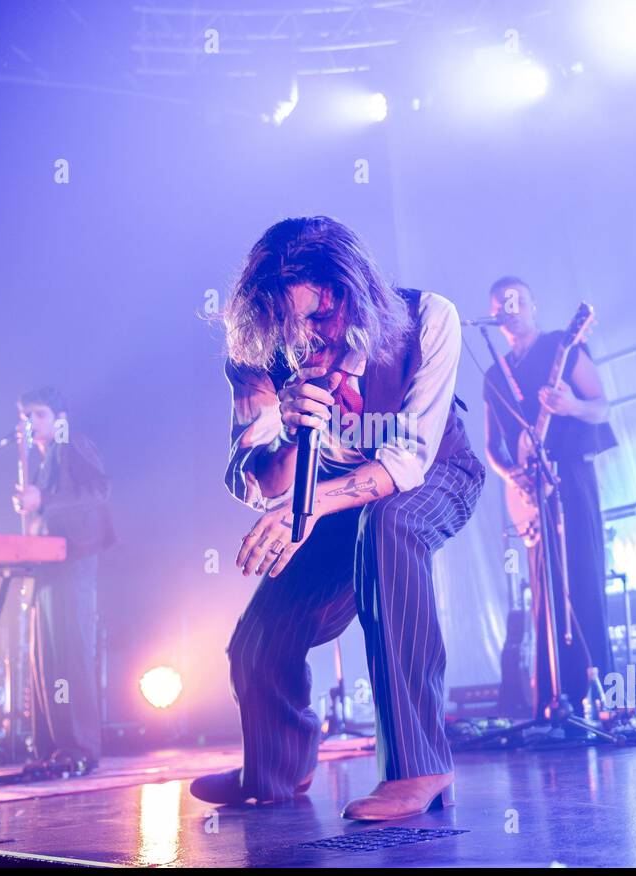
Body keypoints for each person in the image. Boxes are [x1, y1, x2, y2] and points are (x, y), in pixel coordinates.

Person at [190, 216, 485, 820]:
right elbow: (256, 479)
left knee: (390, 527)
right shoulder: (258, 353)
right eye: (288, 322)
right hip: (325, 491)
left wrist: (307, 509)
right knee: (259, 640)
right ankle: (272, 770)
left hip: (433, 476)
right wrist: (295, 436)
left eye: (319, 317)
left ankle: (420, 767)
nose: (305, 338)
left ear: (353, 294)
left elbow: (407, 462)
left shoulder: (429, 319)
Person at [481, 276, 616, 718]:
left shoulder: (563, 345)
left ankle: (605, 699)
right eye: (502, 302)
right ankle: (553, 701)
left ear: (534, 305)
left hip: (571, 477)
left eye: (517, 299)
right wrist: (511, 476)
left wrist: (570, 406)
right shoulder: (494, 374)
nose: (510, 306)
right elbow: (490, 448)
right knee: (544, 594)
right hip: (532, 490)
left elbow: (601, 406)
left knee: (584, 581)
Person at [13, 386, 115, 775]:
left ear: (58, 417)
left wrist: (45, 503)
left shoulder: (71, 442)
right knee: (46, 654)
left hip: (75, 558)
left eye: (38, 414)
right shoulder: (42, 460)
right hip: (48, 561)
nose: (31, 423)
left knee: (72, 650)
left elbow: (99, 491)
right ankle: (52, 745)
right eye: (27, 416)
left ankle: (80, 747)